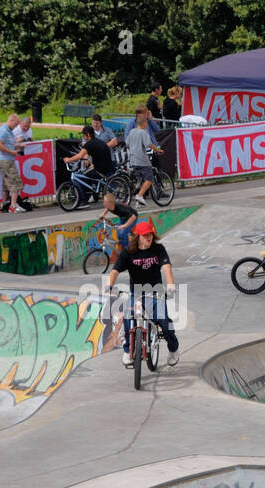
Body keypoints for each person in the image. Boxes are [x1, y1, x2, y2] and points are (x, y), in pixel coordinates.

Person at [108, 221, 180, 367]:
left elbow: (166, 267)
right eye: (145, 235)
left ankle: (173, 348)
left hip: (156, 292)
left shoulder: (158, 249)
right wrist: (109, 285)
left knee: (164, 323)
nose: (149, 238)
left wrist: (171, 285)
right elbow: (115, 270)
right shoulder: (128, 252)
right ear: (138, 237)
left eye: (151, 235)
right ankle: (128, 350)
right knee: (128, 317)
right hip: (137, 292)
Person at [63, 125, 116, 201]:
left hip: (100, 170)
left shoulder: (89, 144)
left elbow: (80, 155)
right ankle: (94, 194)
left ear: (87, 134)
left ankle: (83, 200)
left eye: (84, 135)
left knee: (80, 176)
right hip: (107, 168)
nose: (83, 137)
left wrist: (68, 160)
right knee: (89, 171)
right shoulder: (100, 142)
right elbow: (100, 156)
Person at [124, 107, 163, 207]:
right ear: (144, 124)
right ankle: (139, 196)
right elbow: (149, 144)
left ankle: (139, 203)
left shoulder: (132, 131)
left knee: (141, 177)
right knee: (149, 178)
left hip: (133, 159)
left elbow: (127, 144)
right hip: (142, 159)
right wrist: (158, 150)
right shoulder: (143, 132)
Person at [0, 113, 25, 214]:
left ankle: (5, 204)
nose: (16, 127)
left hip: (7, 159)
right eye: (15, 124)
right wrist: (12, 152)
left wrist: (18, 147)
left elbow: (8, 145)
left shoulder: (8, 131)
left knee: (6, 184)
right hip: (5, 160)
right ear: (11, 120)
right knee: (14, 182)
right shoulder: (3, 131)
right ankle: (13, 206)